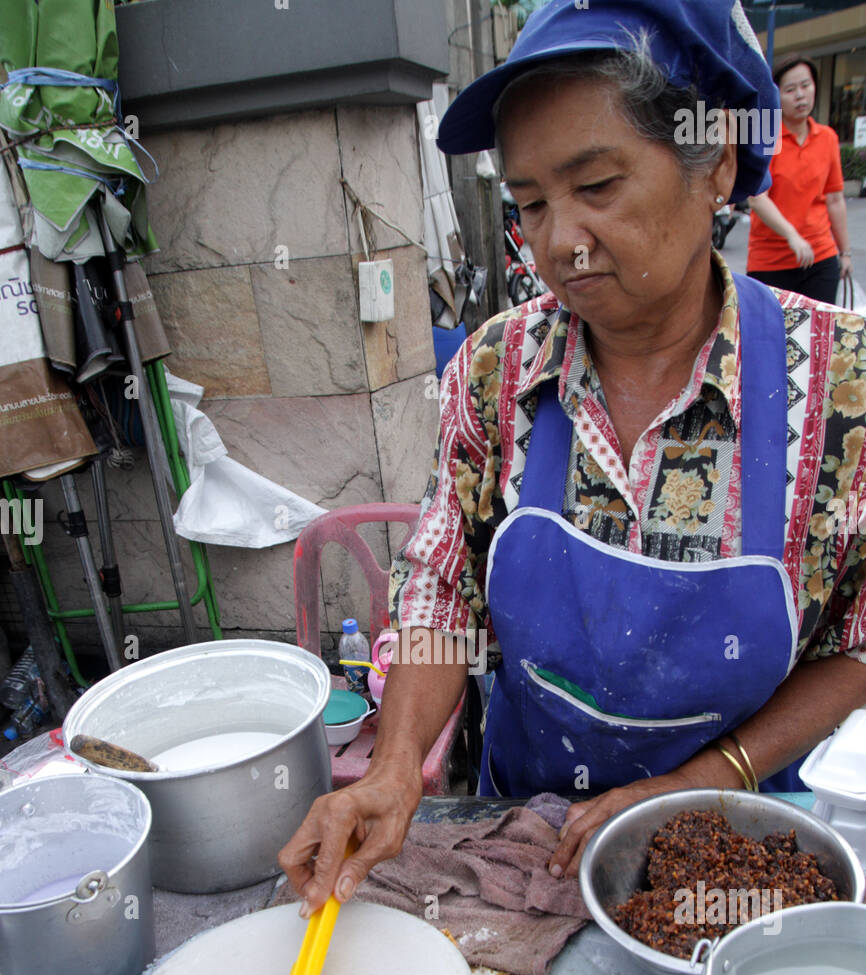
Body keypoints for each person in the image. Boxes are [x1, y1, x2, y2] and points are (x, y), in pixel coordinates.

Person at [280, 0, 866, 917]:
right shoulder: (498, 367)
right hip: (528, 833)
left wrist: (703, 782)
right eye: (530, 203)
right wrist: (395, 767)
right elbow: (444, 582)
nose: (560, 241)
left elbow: (859, 640)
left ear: (713, 163)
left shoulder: (841, 387)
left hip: (735, 848)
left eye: (597, 186)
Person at [747, 54, 851, 305]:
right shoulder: (765, 137)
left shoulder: (827, 138)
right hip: (770, 263)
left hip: (820, 258)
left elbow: (835, 199)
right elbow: (757, 199)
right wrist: (792, 235)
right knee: (772, 339)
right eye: (790, 89)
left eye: (806, 85)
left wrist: (844, 253)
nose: (800, 95)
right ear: (776, 96)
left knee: (819, 338)